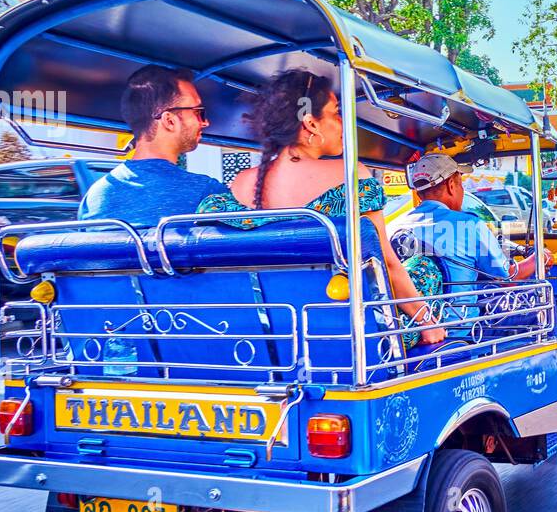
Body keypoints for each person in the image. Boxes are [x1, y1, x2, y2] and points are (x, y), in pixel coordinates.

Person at [198, 69, 445, 346]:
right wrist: (426, 321)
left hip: (267, 334)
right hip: (352, 332)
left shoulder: (241, 184)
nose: (342, 123)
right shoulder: (351, 175)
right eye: (335, 112)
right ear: (311, 123)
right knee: (425, 267)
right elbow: (385, 262)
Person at [78, 65, 228, 226]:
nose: (205, 122)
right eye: (198, 112)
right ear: (169, 121)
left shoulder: (93, 197)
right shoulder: (206, 193)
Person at [394, 153, 551, 287]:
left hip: (411, 321)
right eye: (461, 185)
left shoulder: (394, 227)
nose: (463, 191)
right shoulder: (469, 225)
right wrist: (540, 257)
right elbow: (507, 277)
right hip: (462, 320)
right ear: (451, 185)